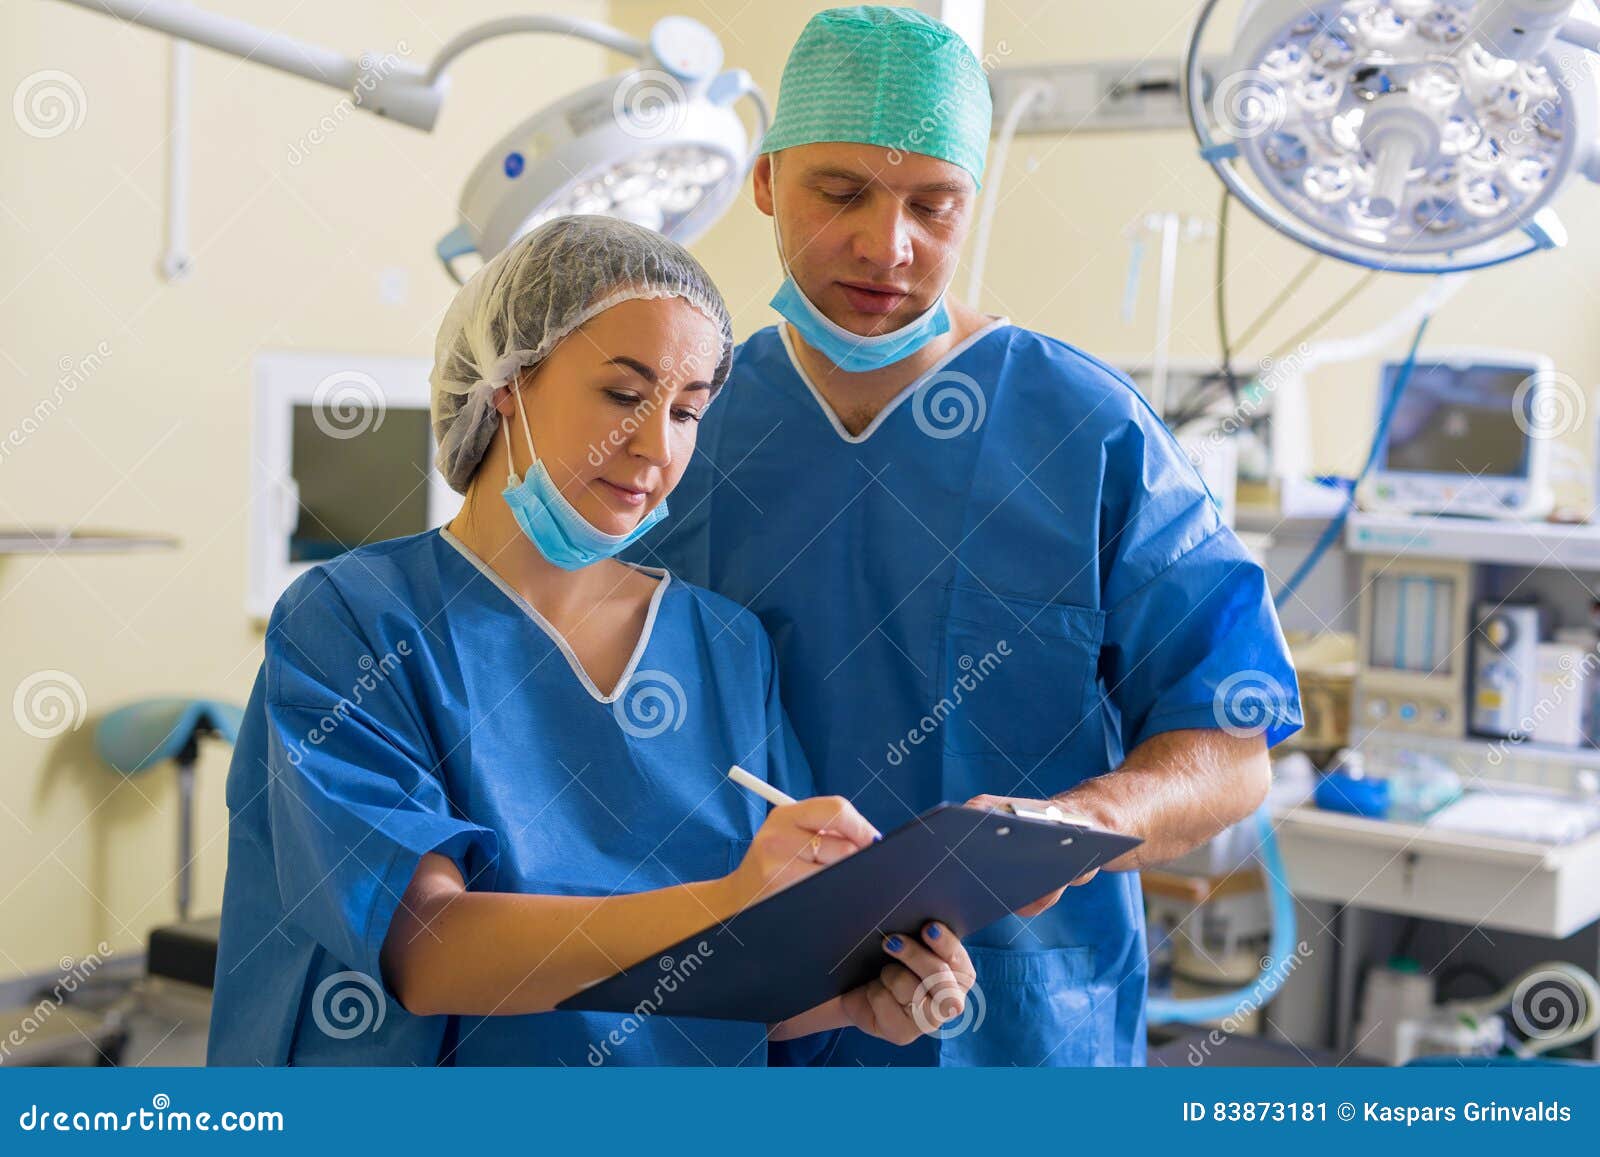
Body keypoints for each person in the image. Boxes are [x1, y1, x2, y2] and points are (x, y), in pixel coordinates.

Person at [627, 7, 1303, 1067]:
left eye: (931, 205)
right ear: (763, 182)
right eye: (840, 192)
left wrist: (1080, 822)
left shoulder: (1084, 429)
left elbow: (1227, 749)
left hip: (1019, 1034)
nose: (885, 245)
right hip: (741, 1022)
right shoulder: (684, 422)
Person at [208, 215, 975, 1066]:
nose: (655, 445)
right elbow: (427, 949)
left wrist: (849, 994)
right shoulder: (355, 619)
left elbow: (743, 978)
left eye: (686, 411)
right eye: (622, 395)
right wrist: (728, 906)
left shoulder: (725, 647)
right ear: (507, 380)